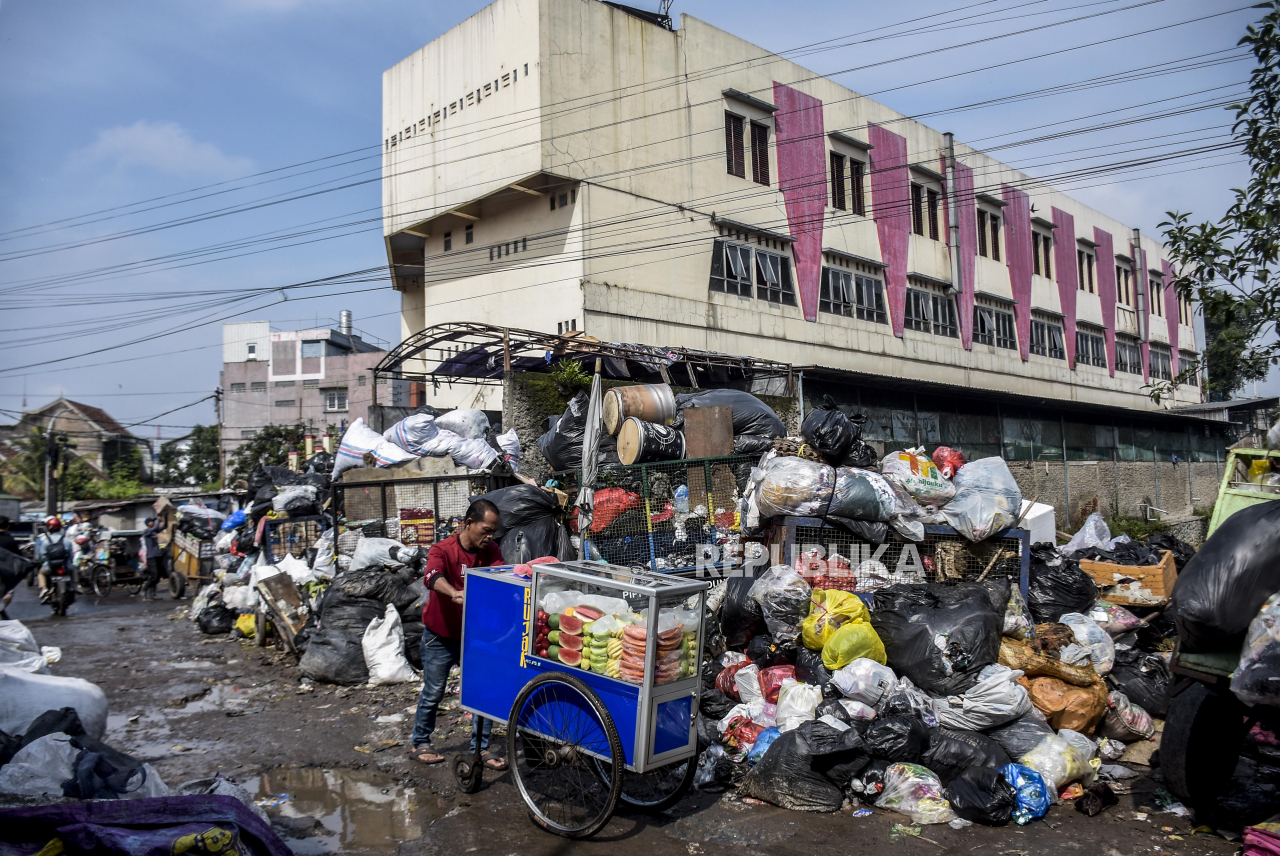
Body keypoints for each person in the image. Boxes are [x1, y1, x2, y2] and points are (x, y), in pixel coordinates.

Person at [409, 498, 506, 769]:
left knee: (481, 691)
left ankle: (481, 748)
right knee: (434, 691)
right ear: (468, 524)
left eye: (493, 531)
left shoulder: (492, 551)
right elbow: (431, 576)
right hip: (440, 635)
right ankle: (420, 742)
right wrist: (454, 593)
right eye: (486, 529)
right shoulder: (443, 549)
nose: (490, 536)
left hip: (475, 636)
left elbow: (501, 577)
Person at [34, 516, 73, 603]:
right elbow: (71, 554)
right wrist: (69, 563)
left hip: (50, 566)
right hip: (64, 565)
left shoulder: (46, 540)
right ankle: (72, 586)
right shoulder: (66, 540)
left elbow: (43, 555)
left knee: (41, 574)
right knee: (72, 571)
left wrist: (45, 563)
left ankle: (44, 588)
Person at [0, 515, 26, 617]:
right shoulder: (11, 541)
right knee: (7, 594)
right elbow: (19, 559)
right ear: (7, 527)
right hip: (6, 575)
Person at [139, 515, 167, 601]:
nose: (153, 522)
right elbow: (154, 528)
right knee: (154, 575)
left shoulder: (154, 531)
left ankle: (152, 595)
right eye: (152, 521)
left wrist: (165, 517)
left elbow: (164, 527)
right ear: (148, 523)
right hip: (151, 557)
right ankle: (144, 590)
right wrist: (158, 521)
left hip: (157, 555)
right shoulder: (146, 532)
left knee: (157, 576)